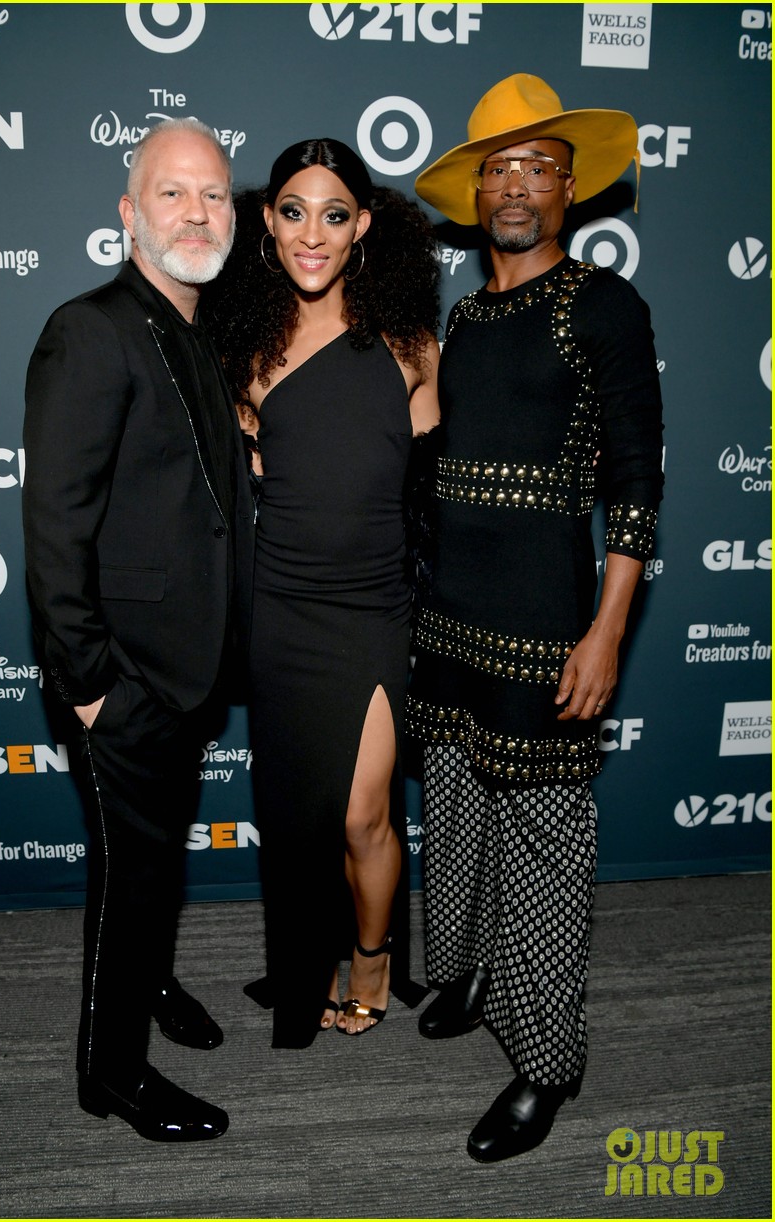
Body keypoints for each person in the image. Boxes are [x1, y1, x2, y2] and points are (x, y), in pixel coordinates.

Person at [407, 74, 664, 1161]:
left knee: (547, 844)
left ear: (569, 186)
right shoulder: (461, 315)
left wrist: (604, 631)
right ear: (473, 191)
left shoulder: (600, 303)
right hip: (446, 618)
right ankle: (461, 969)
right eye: (496, 167)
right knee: (458, 814)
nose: (514, 185)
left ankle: (547, 1062)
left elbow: (636, 481)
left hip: (544, 629)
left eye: (536, 166)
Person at [22, 118, 254, 1141]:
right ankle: (109, 1074)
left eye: (214, 195)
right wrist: (86, 682)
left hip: (186, 666)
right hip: (122, 678)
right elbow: (55, 523)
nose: (197, 211)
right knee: (131, 874)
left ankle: (152, 987)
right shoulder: (93, 327)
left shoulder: (193, 329)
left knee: (155, 864)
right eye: (173, 192)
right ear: (128, 214)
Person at [206, 138, 440, 1047]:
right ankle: (305, 962)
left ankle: (374, 961)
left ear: (363, 227)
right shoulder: (244, 346)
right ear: (267, 223)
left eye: (334, 214)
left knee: (362, 811)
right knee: (298, 818)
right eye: (294, 211)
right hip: (282, 614)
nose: (313, 233)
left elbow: (429, 496)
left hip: (375, 610)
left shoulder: (411, 347)